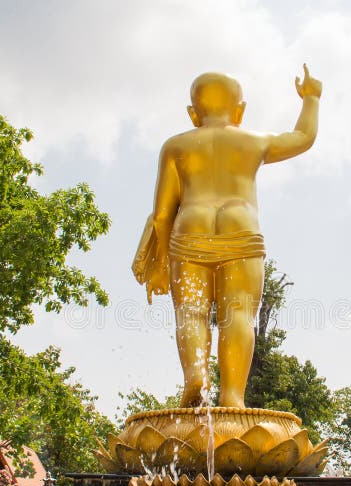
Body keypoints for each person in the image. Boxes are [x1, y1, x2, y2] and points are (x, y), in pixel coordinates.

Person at [133, 65, 321, 408]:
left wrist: (160, 262)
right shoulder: (253, 140)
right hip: (240, 226)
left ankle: (197, 380)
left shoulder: (175, 146)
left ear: (193, 113)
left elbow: (161, 214)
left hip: (190, 229)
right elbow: (303, 138)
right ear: (240, 111)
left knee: (191, 314)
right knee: (238, 315)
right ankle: (232, 395)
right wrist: (311, 98)